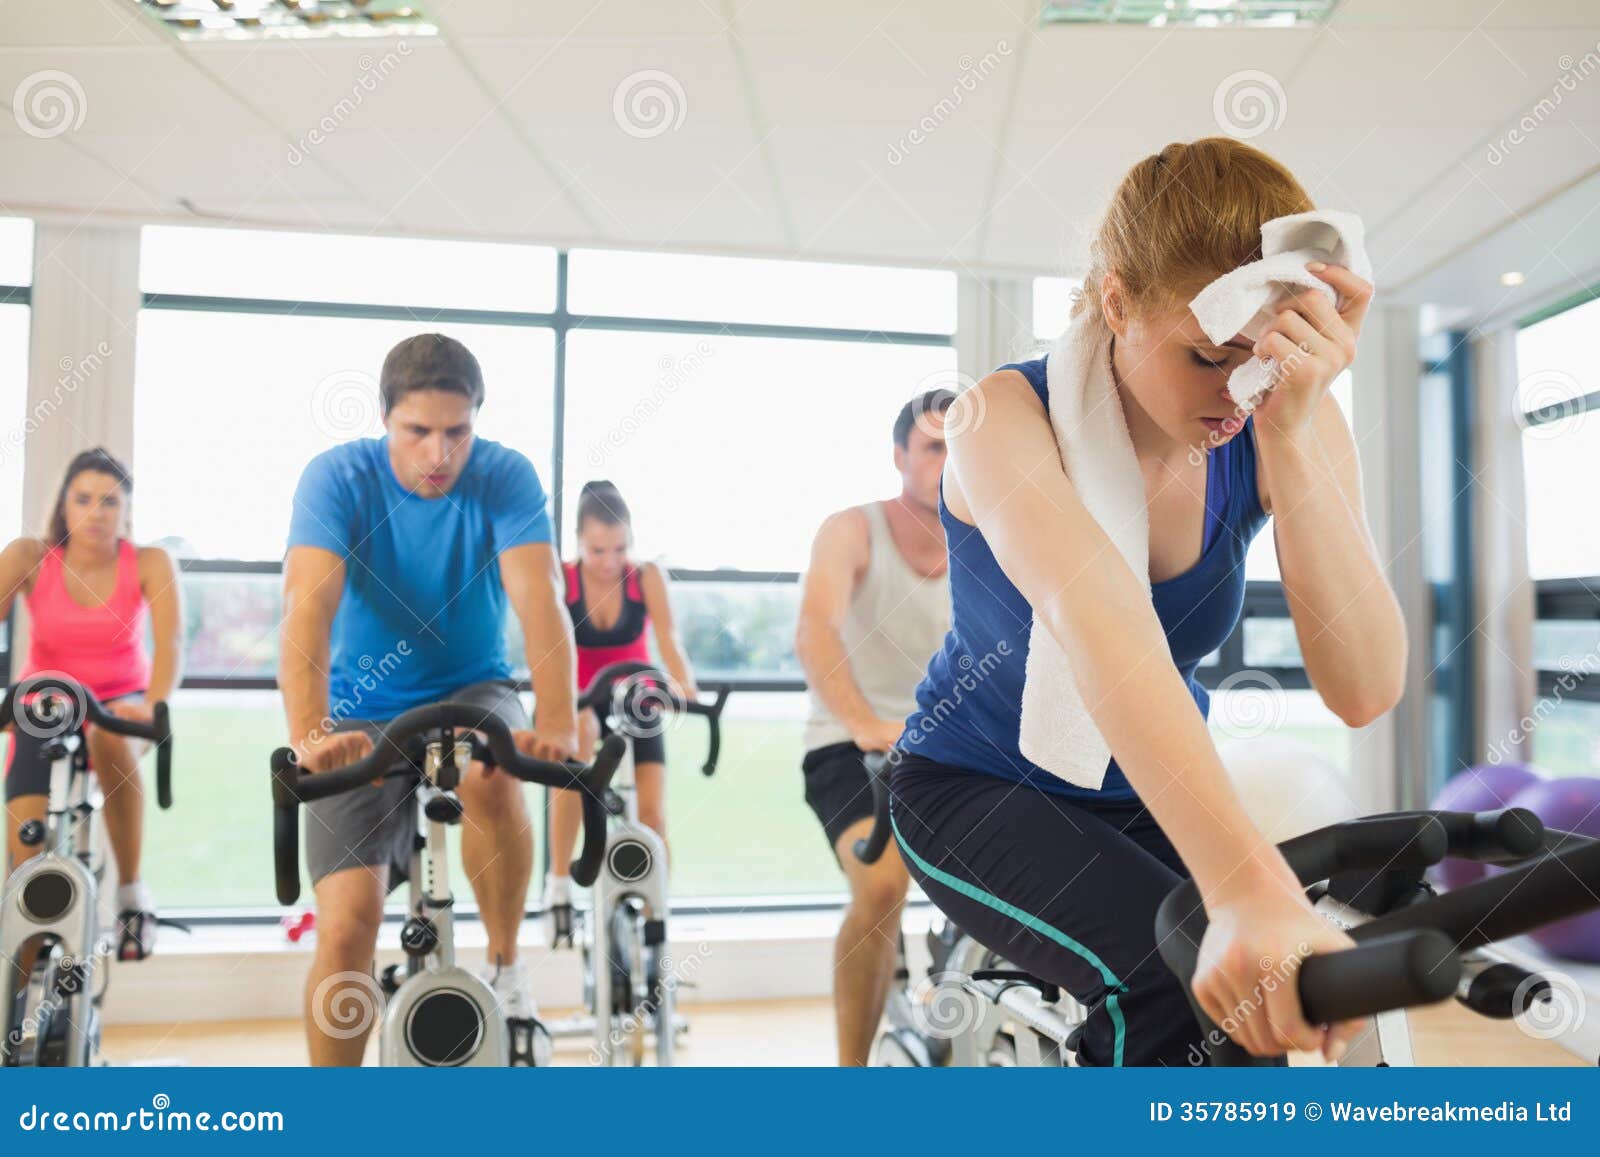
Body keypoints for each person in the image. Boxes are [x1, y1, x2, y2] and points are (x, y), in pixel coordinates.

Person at [889, 138, 1406, 1067]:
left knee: (1275, 1001)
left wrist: (1294, 426)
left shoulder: (1278, 412)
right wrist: (1246, 891)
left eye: (1263, 361)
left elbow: (1364, 685)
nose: (1237, 392)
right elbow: (1102, 624)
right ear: (1118, 301)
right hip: (976, 786)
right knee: (1180, 986)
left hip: (1140, 794)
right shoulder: (998, 419)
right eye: (1210, 357)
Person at [280, 333, 579, 1066]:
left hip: (474, 686)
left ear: (477, 420)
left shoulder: (505, 477)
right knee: (348, 922)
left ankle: (507, 970)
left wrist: (558, 721)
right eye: (418, 431)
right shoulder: (337, 479)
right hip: (357, 707)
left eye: (457, 432)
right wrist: (310, 731)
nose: (439, 453)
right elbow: (306, 608)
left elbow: (540, 600)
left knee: (496, 772)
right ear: (385, 419)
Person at [794, 390, 953, 1066]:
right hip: (849, 747)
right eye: (935, 447)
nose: (950, 463)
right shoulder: (852, 528)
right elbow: (816, 627)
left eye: (962, 448)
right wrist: (864, 722)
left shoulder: (995, 539)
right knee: (882, 884)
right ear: (900, 457)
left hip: (949, 751)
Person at [1, 447, 183, 959]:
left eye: (110, 502)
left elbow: (169, 646)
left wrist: (153, 704)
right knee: (32, 736)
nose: (97, 513)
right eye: (84, 499)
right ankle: (24, 897)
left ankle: (130, 894)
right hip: (49, 697)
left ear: (126, 510)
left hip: (118, 702)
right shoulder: (31, 558)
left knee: (108, 735)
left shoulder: (149, 562)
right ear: (64, 506)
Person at [540, 481, 698, 933]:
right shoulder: (562, 578)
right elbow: (549, 651)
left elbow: (669, 638)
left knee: (652, 813)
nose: (610, 562)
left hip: (636, 698)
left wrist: (684, 684)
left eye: (618, 548)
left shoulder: (645, 576)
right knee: (582, 735)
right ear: (577, 541)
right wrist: (562, 707)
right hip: (578, 698)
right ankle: (557, 886)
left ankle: (657, 916)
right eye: (597, 551)